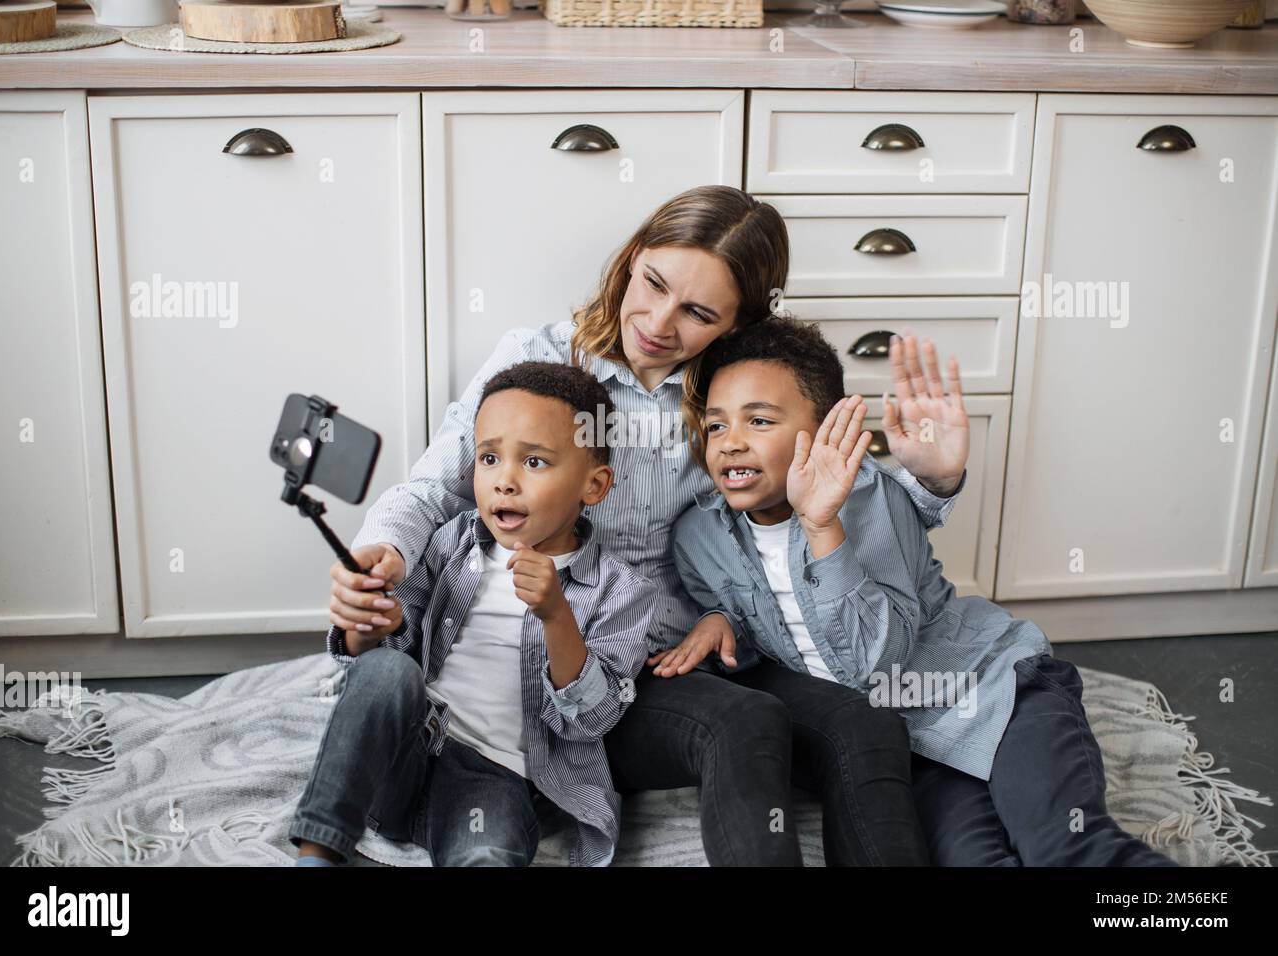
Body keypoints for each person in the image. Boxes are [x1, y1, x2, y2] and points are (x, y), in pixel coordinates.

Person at [325, 184, 969, 865]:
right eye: (654, 283)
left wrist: (933, 480)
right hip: (567, 661)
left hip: (682, 652)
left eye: (697, 312)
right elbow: (436, 486)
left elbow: (832, 487)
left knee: (850, 722)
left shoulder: (725, 402)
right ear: (633, 258)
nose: (660, 323)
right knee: (744, 721)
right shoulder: (539, 357)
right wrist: (385, 551)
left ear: (737, 325)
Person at [671, 316, 1176, 866]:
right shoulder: (698, 536)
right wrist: (719, 618)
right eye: (716, 426)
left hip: (997, 692)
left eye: (760, 421)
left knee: (1063, 842)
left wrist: (821, 528)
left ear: (823, 432)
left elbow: (872, 661)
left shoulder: (864, 498)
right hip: (913, 746)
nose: (731, 443)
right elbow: (752, 619)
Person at [292, 362, 655, 866]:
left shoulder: (621, 592)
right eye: (489, 457)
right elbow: (374, 669)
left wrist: (556, 615)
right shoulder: (451, 544)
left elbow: (590, 719)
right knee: (389, 669)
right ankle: (317, 852)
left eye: (534, 462)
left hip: (491, 777)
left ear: (593, 486)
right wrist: (367, 628)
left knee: (490, 849)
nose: (504, 481)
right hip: (402, 754)